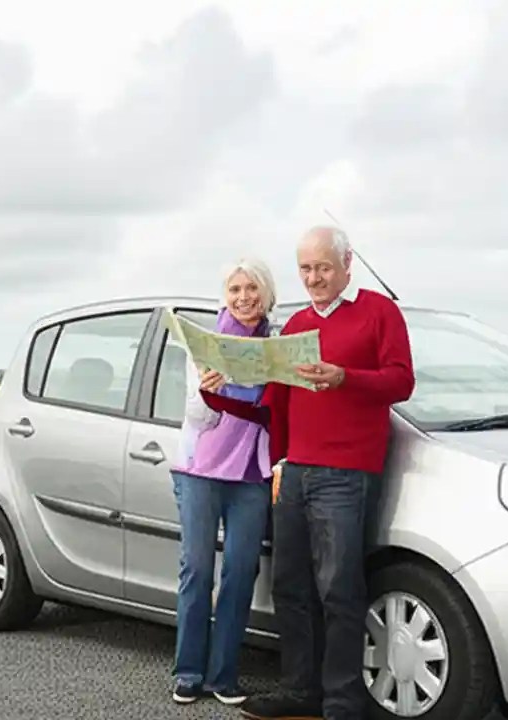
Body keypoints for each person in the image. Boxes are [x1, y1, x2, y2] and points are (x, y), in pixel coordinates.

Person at [200, 227, 415, 720]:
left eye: (322, 267)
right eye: (305, 269)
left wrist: (345, 377)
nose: (314, 278)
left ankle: (342, 701)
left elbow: (402, 380)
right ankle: (301, 691)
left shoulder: (380, 312)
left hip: (347, 473)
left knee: (339, 590)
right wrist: (216, 392)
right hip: (294, 472)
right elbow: (273, 409)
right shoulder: (294, 325)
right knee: (290, 588)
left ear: (346, 263)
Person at [169, 257, 279, 707]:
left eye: (251, 288)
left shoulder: (277, 344)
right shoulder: (206, 344)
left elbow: (281, 413)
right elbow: (197, 418)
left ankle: (224, 676)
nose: (243, 297)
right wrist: (205, 390)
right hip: (203, 470)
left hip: (252, 472)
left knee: (240, 572)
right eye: (235, 290)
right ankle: (189, 672)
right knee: (196, 570)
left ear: (266, 293)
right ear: (225, 296)